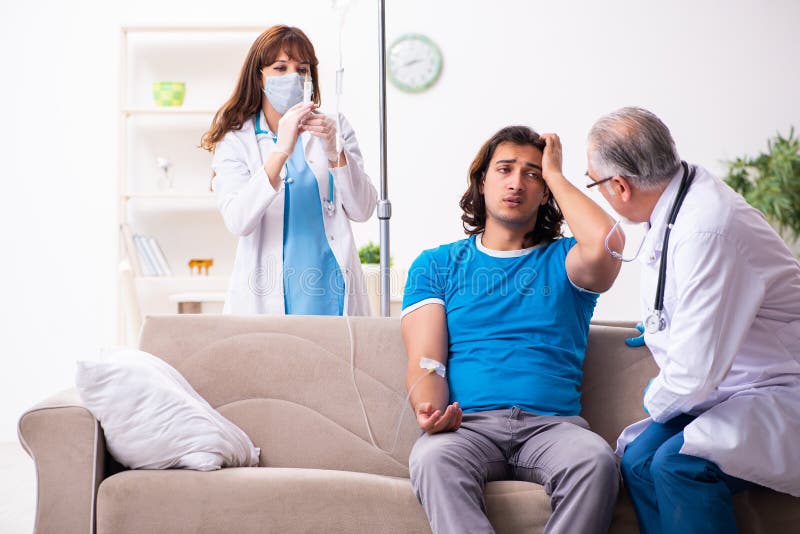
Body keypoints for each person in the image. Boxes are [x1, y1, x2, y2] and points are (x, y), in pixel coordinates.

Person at [586, 106, 800, 533]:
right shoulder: (679, 206)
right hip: (733, 389)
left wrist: (655, 398)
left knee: (677, 464)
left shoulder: (707, 228)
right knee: (638, 460)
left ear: (619, 187)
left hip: (779, 390)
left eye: (593, 183)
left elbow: (693, 377)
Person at [402, 125, 624, 534]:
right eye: (504, 169)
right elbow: (426, 359)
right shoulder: (436, 265)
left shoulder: (565, 261)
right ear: (482, 180)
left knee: (595, 461)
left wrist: (557, 175)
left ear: (545, 193)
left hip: (553, 427)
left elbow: (608, 243)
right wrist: (430, 410)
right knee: (432, 458)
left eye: (532, 173)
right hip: (467, 426)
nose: (517, 182)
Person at [201, 25, 376, 315]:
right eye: (280, 68)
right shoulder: (236, 139)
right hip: (264, 295)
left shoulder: (335, 127)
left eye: (303, 69)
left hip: (332, 290)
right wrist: (280, 150)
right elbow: (238, 220)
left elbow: (363, 209)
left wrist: (337, 154)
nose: (293, 77)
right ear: (259, 77)